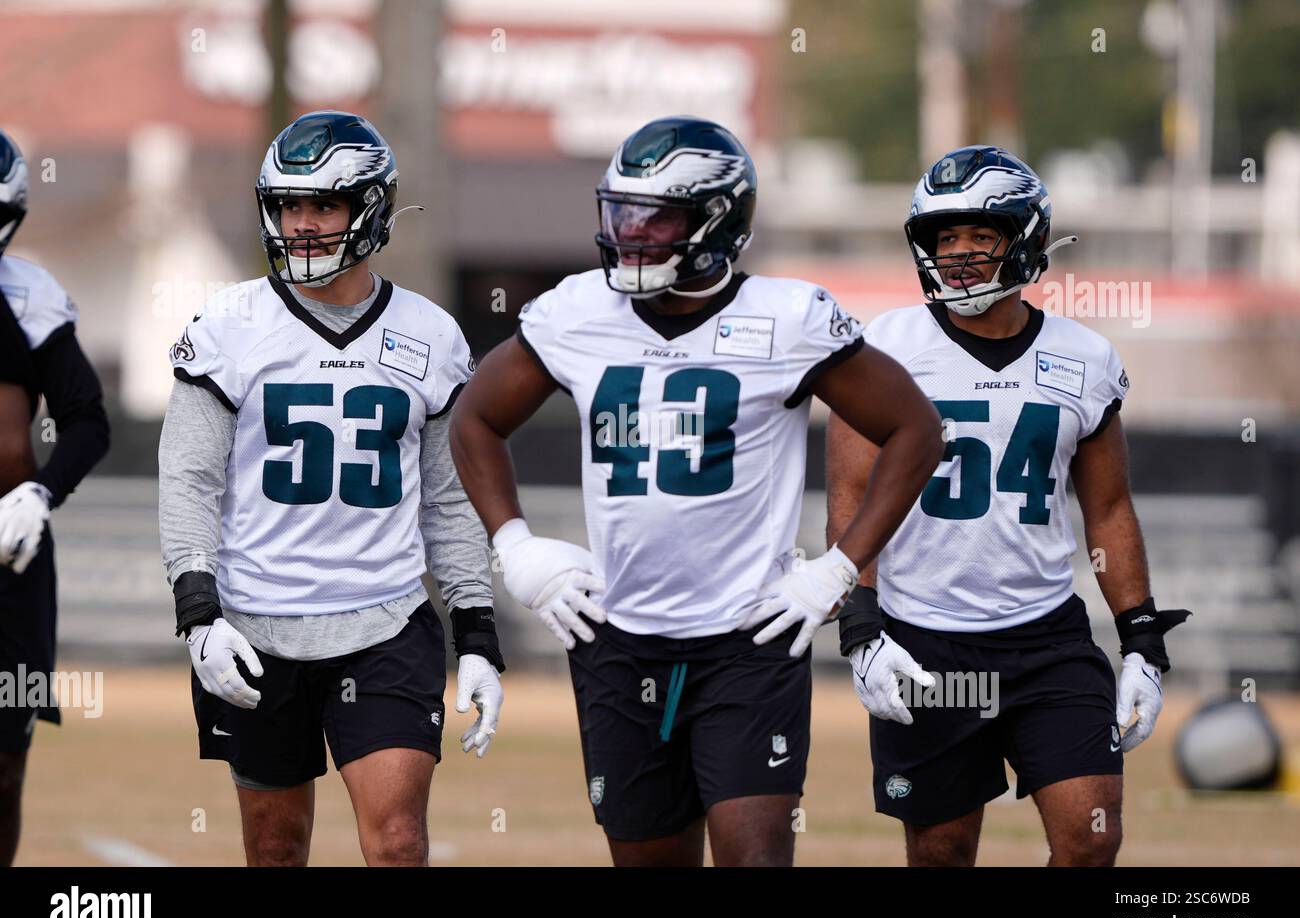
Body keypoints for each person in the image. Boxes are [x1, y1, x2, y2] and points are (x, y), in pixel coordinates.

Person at [450, 116, 942, 866]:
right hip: (616, 638)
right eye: (624, 213)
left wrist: (838, 570)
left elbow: (915, 429)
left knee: (756, 855)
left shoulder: (788, 319)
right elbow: (475, 418)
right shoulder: (577, 312)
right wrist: (513, 546)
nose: (634, 234)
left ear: (718, 220)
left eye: (659, 217)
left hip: (748, 641)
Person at [826, 145, 1191, 866]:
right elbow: (850, 494)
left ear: (1022, 237)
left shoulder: (1083, 358)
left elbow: (1109, 510)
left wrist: (1141, 638)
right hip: (923, 637)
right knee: (943, 849)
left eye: (979, 236)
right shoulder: (884, 348)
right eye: (945, 238)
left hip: (1045, 640)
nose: (958, 255)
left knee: (1093, 837)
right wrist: (861, 625)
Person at [158, 110, 504, 866]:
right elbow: (188, 476)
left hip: (383, 626)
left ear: (370, 209)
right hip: (256, 626)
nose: (302, 224)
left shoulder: (431, 336)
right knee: (276, 846)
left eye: (323, 205)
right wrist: (198, 613)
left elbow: (449, 500)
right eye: (288, 205)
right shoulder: (229, 323)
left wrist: (476, 631)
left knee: (398, 841)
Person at [0, 129, 111, 865]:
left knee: (5, 759)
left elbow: (86, 421)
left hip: (7, 550)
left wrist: (39, 494)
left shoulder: (28, 295)